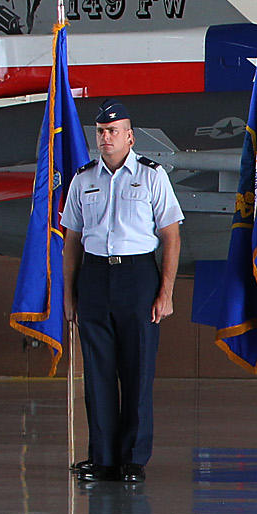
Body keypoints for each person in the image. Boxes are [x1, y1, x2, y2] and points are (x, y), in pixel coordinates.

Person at [62, 100, 183, 482]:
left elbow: (171, 236)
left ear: (130, 137)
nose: (106, 137)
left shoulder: (151, 176)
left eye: (113, 131)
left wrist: (165, 291)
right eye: (101, 131)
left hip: (137, 276)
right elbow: (72, 240)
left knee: (137, 370)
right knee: (97, 373)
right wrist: (69, 294)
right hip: (95, 277)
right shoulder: (83, 179)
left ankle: (132, 458)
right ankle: (102, 457)